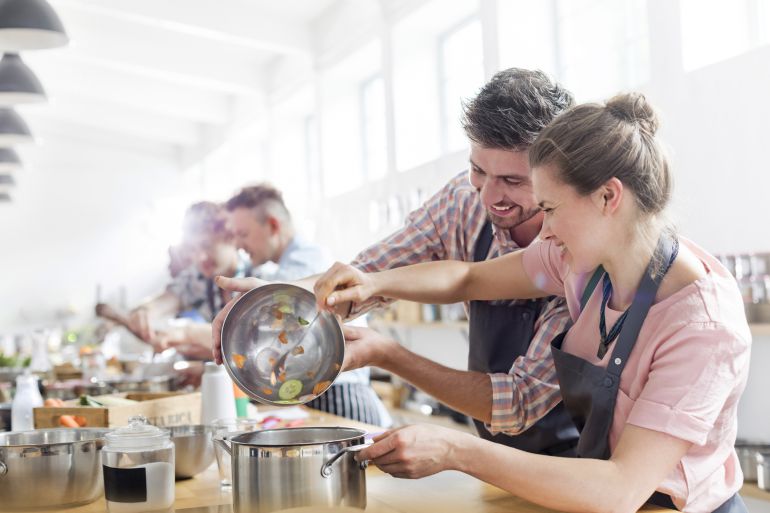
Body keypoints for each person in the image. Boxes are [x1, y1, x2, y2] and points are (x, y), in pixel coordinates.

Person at [313, 93, 750, 513]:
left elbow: (619, 488)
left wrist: (456, 449)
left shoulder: (703, 328)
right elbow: (467, 277)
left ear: (607, 197)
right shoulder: (580, 265)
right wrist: (372, 282)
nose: (546, 229)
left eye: (551, 208)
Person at [213, 68, 578, 455]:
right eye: (478, 170)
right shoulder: (462, 201)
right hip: (497, 455)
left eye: (513, 181)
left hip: (572, 462)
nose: (489, 196)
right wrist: (278, 298)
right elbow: (373, 272)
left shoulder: (576, 250)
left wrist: (387, 353)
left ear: (556, 172)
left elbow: (517, 404)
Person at [224, 184, 391, 426]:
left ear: (272, 226)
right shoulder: (286, 263)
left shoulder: (306, 260)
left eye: (243, 234)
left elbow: (271, 322)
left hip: (340, 395)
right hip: (318, 394)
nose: (238, 244)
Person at [129, 201, 252, 358]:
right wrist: (144, 310)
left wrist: (188, 332)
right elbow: (167, 299)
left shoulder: (260, 276)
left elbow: (245, 339)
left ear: (229, 237)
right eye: (193, 249)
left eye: (206, 245)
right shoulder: (197, 279)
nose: (200, 257)